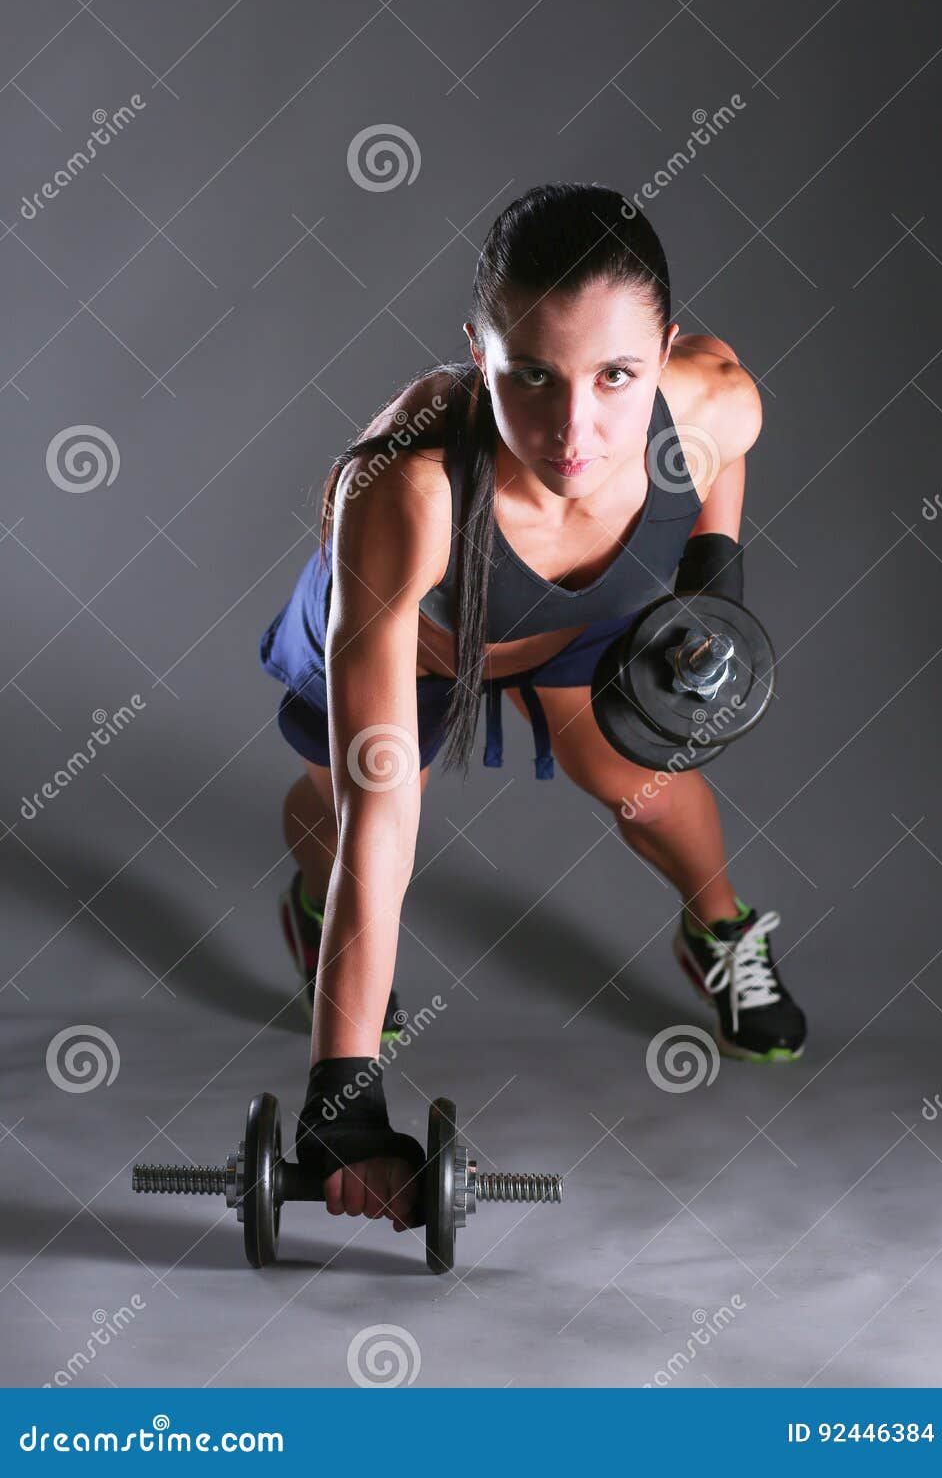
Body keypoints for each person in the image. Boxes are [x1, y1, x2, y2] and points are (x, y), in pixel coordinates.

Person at [258, 183, 806, 1234]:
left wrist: (710, 585)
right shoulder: (402, 497)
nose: (573, 428)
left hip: (580, 618)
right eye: (532, 377)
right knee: (348, 825)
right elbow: (386, 833)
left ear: (665, 350)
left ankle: (717, 932)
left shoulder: (708, 404)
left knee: (647, 793)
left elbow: (728, 454)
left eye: (615, 375)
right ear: (478, 351)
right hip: (418, 633)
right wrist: (343, 1095)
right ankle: (312, 912)